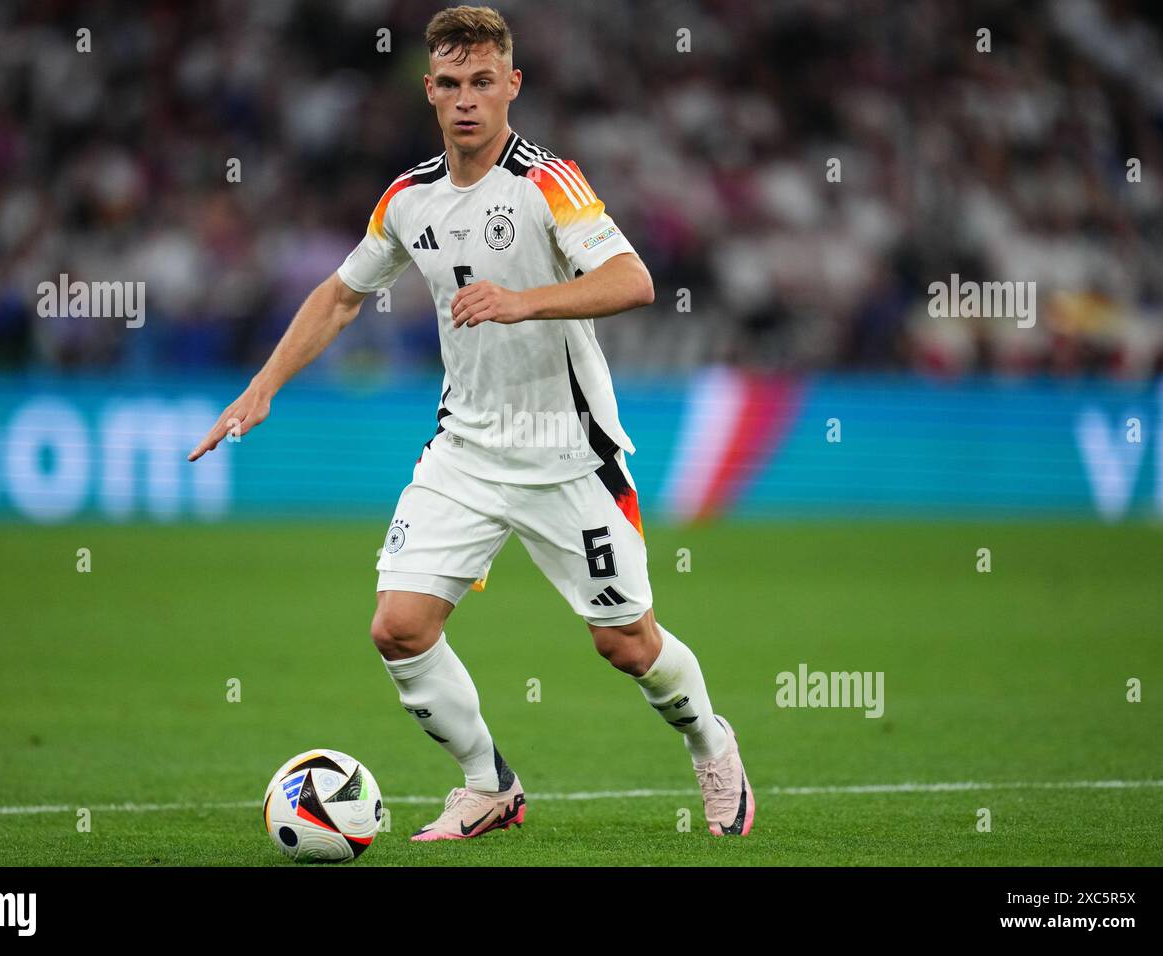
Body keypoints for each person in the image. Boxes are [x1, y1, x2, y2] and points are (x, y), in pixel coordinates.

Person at [189, 5, 752, 841]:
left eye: (482, 82)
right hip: (466, 450)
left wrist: (524, 301)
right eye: (450, 83)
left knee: (627, 645)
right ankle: (489, 784)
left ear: (511, 86)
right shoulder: (409, 198)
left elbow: (633, 280)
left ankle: (713, 745)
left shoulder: (547, 180)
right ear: (429, 89)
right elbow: (343, 294)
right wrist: (264, 384)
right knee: (398, 626)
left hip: (569, 454)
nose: (466, 100)